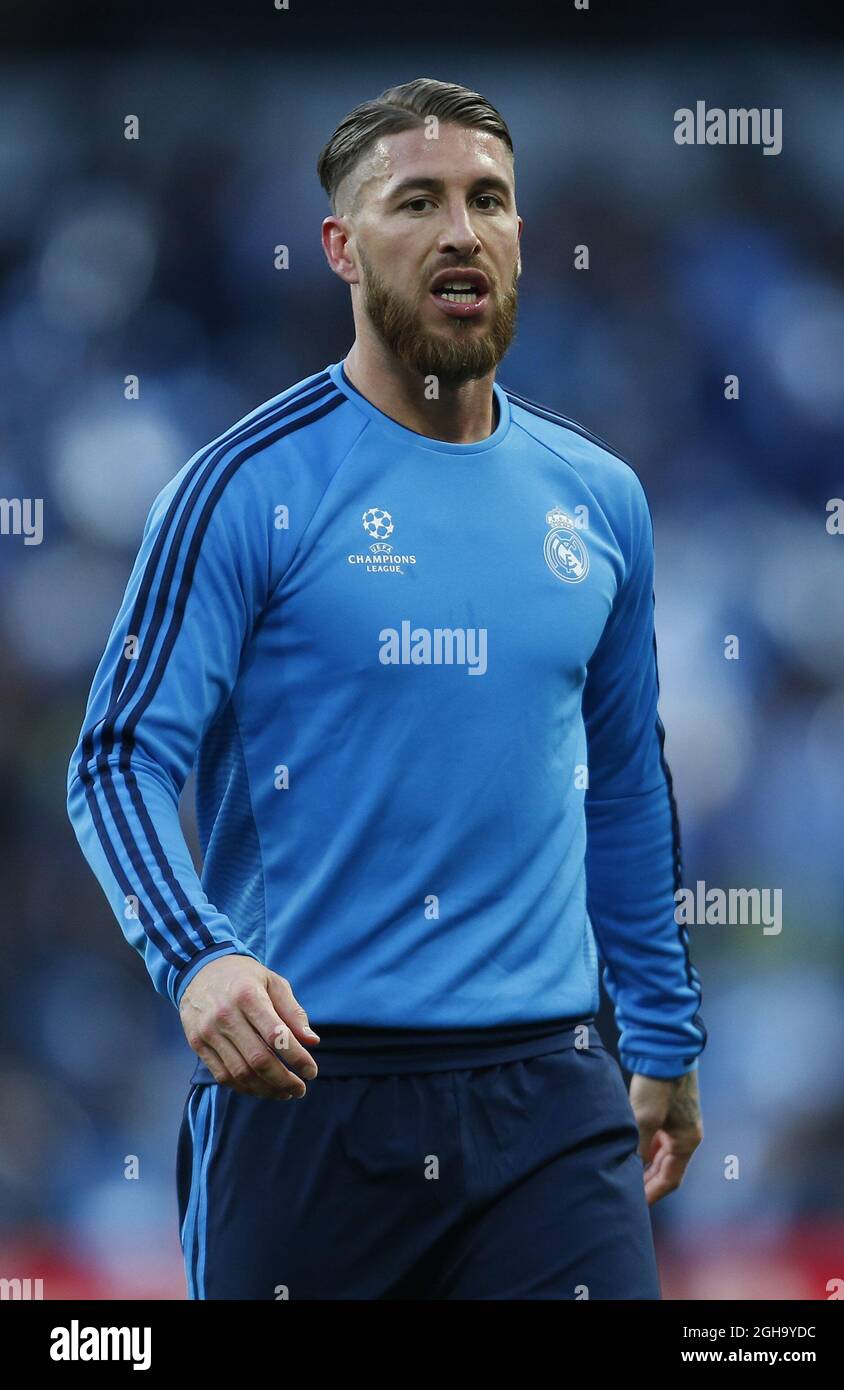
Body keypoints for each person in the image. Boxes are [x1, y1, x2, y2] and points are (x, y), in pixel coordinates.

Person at [67, 77, 706, 1300]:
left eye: (487, 201)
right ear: (341, 248)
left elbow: (620, 786)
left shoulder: (598, 498)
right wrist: (197, 959)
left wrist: (664, 1036)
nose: (460, 230)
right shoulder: (239, 487)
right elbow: (116, 760)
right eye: (416, 201)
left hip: (549, 1101)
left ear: (519, 236)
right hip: (309, 1094)